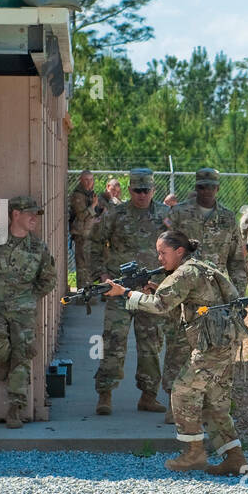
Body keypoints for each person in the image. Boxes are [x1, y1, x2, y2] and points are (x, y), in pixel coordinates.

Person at [104, 228, 247, 475]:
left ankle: (194, 453)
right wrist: (154, 290)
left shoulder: (185, 272)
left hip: (211, 347)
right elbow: (182, 301)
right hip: (223, 341)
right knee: (216, 401)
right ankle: (235, 457)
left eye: (163, 252)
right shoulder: (199, 266)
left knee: (182, 391)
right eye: (158, 252)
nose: (159, 258)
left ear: (179, 251)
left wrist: (126, 293)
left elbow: (160, 305)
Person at [162, 168, 248, 422]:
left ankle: (212, 405)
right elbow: (165, 253)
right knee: (179, 346)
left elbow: (237, 260)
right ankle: (174, 406)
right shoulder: (179, 214)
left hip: (216, 296)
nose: (206, 191)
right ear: (196, 187)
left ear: (217, 189)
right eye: (202, 186)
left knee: (214, 345)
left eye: (210, 187)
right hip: (183, 292)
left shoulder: (228, 218)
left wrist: (239, 296)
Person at [88, 168, 169, 415]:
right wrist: (100, 274)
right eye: (137, 190)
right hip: (118, 289)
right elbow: (93, 242)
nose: (142, 195)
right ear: (130, 189)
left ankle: (148, 395)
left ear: (153, 190)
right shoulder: (116, 214)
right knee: (113, 341)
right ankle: (105, 394)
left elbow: (179, 249)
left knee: (151, 344)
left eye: (146, 190)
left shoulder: (165, 216)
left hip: (150, 290)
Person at [0, 196, 58, 428]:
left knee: (23, 353)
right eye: (30, 214)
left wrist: (29, 297)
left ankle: (15, 408)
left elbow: (49, 279)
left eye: (36, 215)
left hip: (23, 309)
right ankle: (5, 363)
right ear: (15, 214)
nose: (34, 219)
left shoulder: (38, 247)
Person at [67, 170, 98, 291]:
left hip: (89, 233)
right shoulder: (78, 195)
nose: (89, 182)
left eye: (91, 180)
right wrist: (93, 206)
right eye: (86, 180)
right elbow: (81, 215)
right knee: (82, 265)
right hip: (81, 235)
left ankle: (89, 291)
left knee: (88, 264)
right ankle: (83, 293)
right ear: (81, 180)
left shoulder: (89, 193)